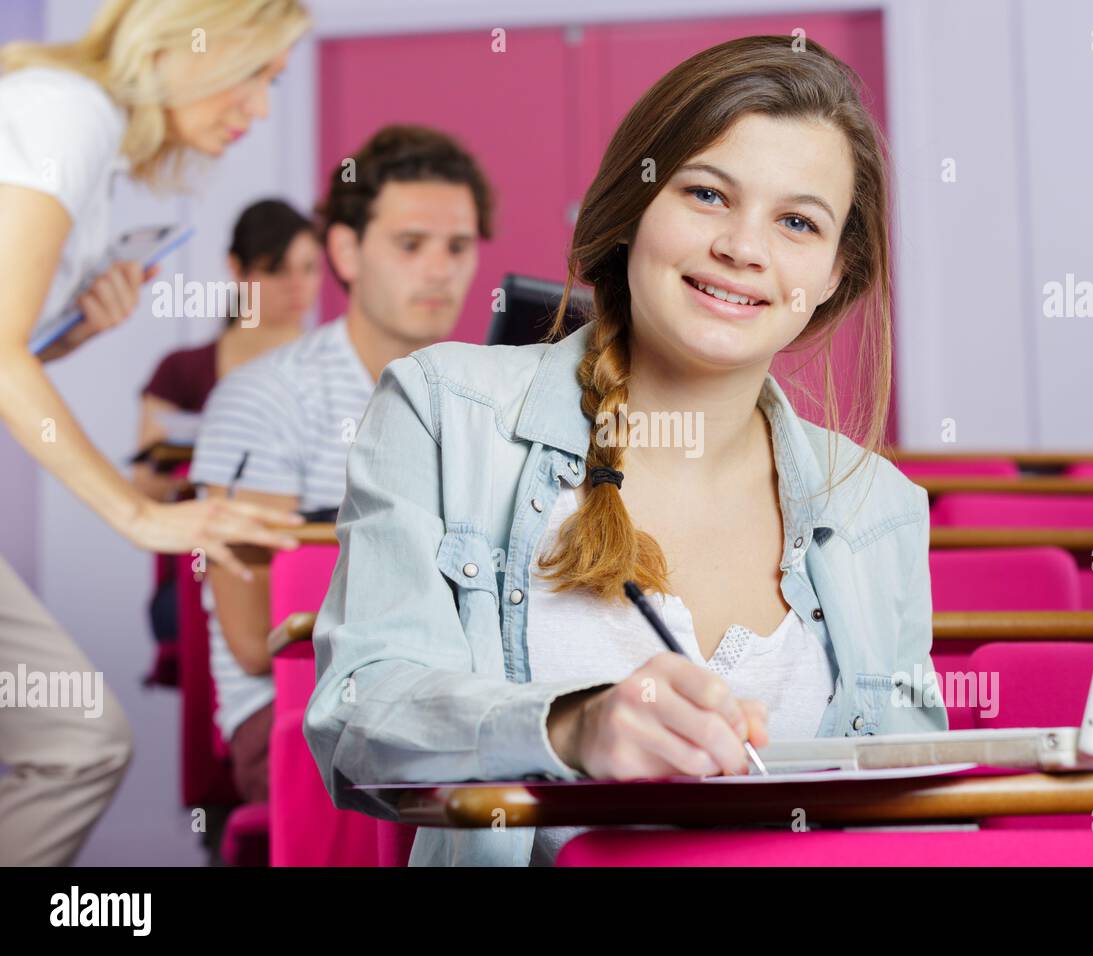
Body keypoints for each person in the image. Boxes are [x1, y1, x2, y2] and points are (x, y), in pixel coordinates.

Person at [304, 35, 946, 867]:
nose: (744, 248)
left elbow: (919, 818)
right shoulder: (440, 409)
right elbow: (362, 717)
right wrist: (572, 726)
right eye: (708, 194)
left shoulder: (879, 506)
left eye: (796, 221)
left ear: (832, 272)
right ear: (632, 207)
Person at [0, 0, 311, 866]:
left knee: (77, 743)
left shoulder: (76, 122)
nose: (257, 109)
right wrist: (143, 519)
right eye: (255, 72)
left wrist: (69, 335)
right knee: (76, 741)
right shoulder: (71, 109)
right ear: (186, 38)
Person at [190, 124, 492, 803]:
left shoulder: (482, 396)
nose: (441, 268)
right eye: (411, 245)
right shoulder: (263, 396)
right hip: (294, 709)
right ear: (347, 250)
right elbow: (248, 639)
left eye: (459, 246)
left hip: (451, 695)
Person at [134, 198, 322, 503]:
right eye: (276, 270)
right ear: (236, 267)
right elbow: (145, 488)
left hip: (307, 543)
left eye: (309, 268)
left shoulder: (338, 366)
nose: (297, 285)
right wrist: (205, 478)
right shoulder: (180, 370)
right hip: (200, 542)